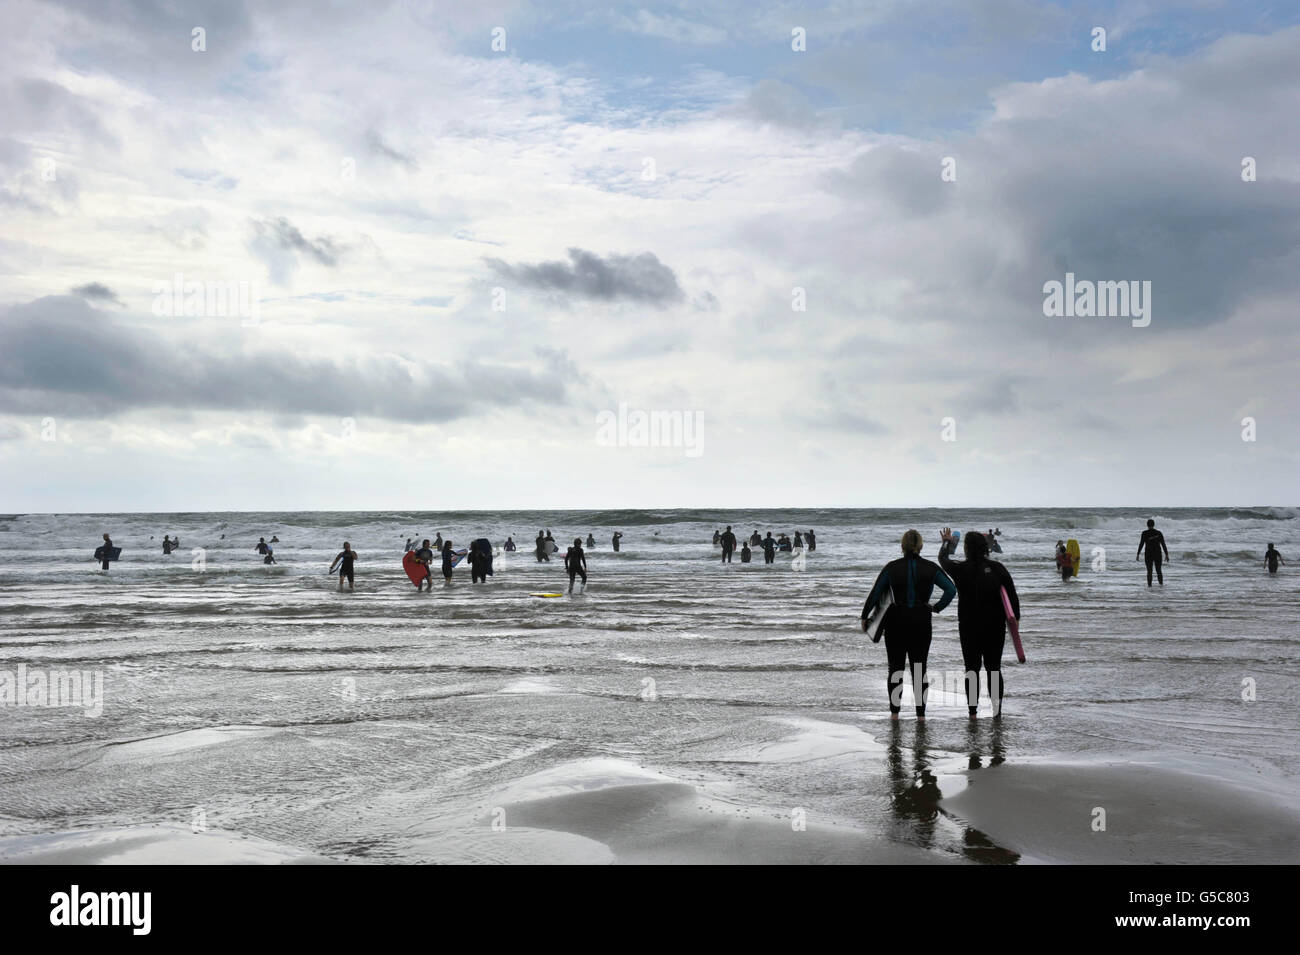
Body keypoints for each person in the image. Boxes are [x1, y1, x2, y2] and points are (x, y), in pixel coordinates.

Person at [860, 530, 955, 721]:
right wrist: (936, 607)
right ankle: (921, 716)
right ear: (920, 546)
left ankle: (894, 715)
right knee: (920, 669)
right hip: (921, 621)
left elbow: (876, 593)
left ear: (902, 546)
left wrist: (865, 616)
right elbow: (951, 589)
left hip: (896, 622)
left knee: (895, 669)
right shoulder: (930, 567)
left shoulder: (892, 568)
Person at [939, 529, 1019, 720]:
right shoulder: (998, 568)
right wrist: (1016, 622)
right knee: (994, 669)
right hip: (994, 626)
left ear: (966, 548)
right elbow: (1013, 599)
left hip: (968, 626)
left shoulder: (959, 569)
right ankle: (997, 713)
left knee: (972, 669)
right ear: (985, 547)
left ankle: (973, 713)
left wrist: (946, 543)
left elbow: (943, 559)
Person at [1136, 519, 1170, 586]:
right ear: (1154, 524)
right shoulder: (1159, 533)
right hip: (1158, 554)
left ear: (1147, 525)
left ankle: (1149, 587)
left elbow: (1141, 544)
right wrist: (1166, 554)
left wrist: (1138, 554)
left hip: (1148, 554)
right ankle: (1161, 586)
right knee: (1159, 571)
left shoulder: (1144, 533)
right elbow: (1163, 544)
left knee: (1149, 571)